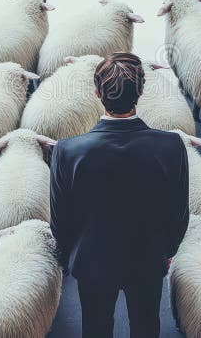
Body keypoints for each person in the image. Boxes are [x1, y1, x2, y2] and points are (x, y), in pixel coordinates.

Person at [50, 52, 190, 338]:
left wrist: (72, 253)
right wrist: (168, 250)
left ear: (97, 92)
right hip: (148, 256)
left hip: (91, 260)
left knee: (96, 329)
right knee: (146, 327)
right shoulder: (171, 145)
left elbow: (60, 218)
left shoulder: (67, 151)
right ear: (141, 91)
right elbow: (178, 210)